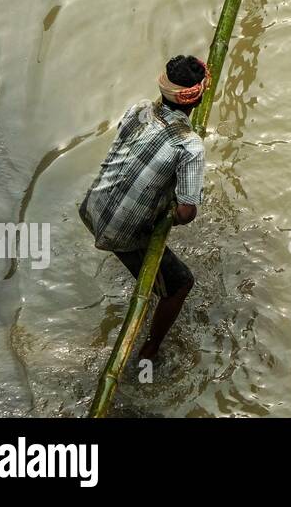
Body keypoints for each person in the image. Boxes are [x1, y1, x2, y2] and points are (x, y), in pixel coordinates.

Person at [80, 54, 208, 361]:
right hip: (118, 233)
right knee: (180, 285)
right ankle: (150, 349)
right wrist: (172, 209)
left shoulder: (139, 109)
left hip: (91, 207)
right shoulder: (190, 146)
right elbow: (186, 214)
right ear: (197, 97)